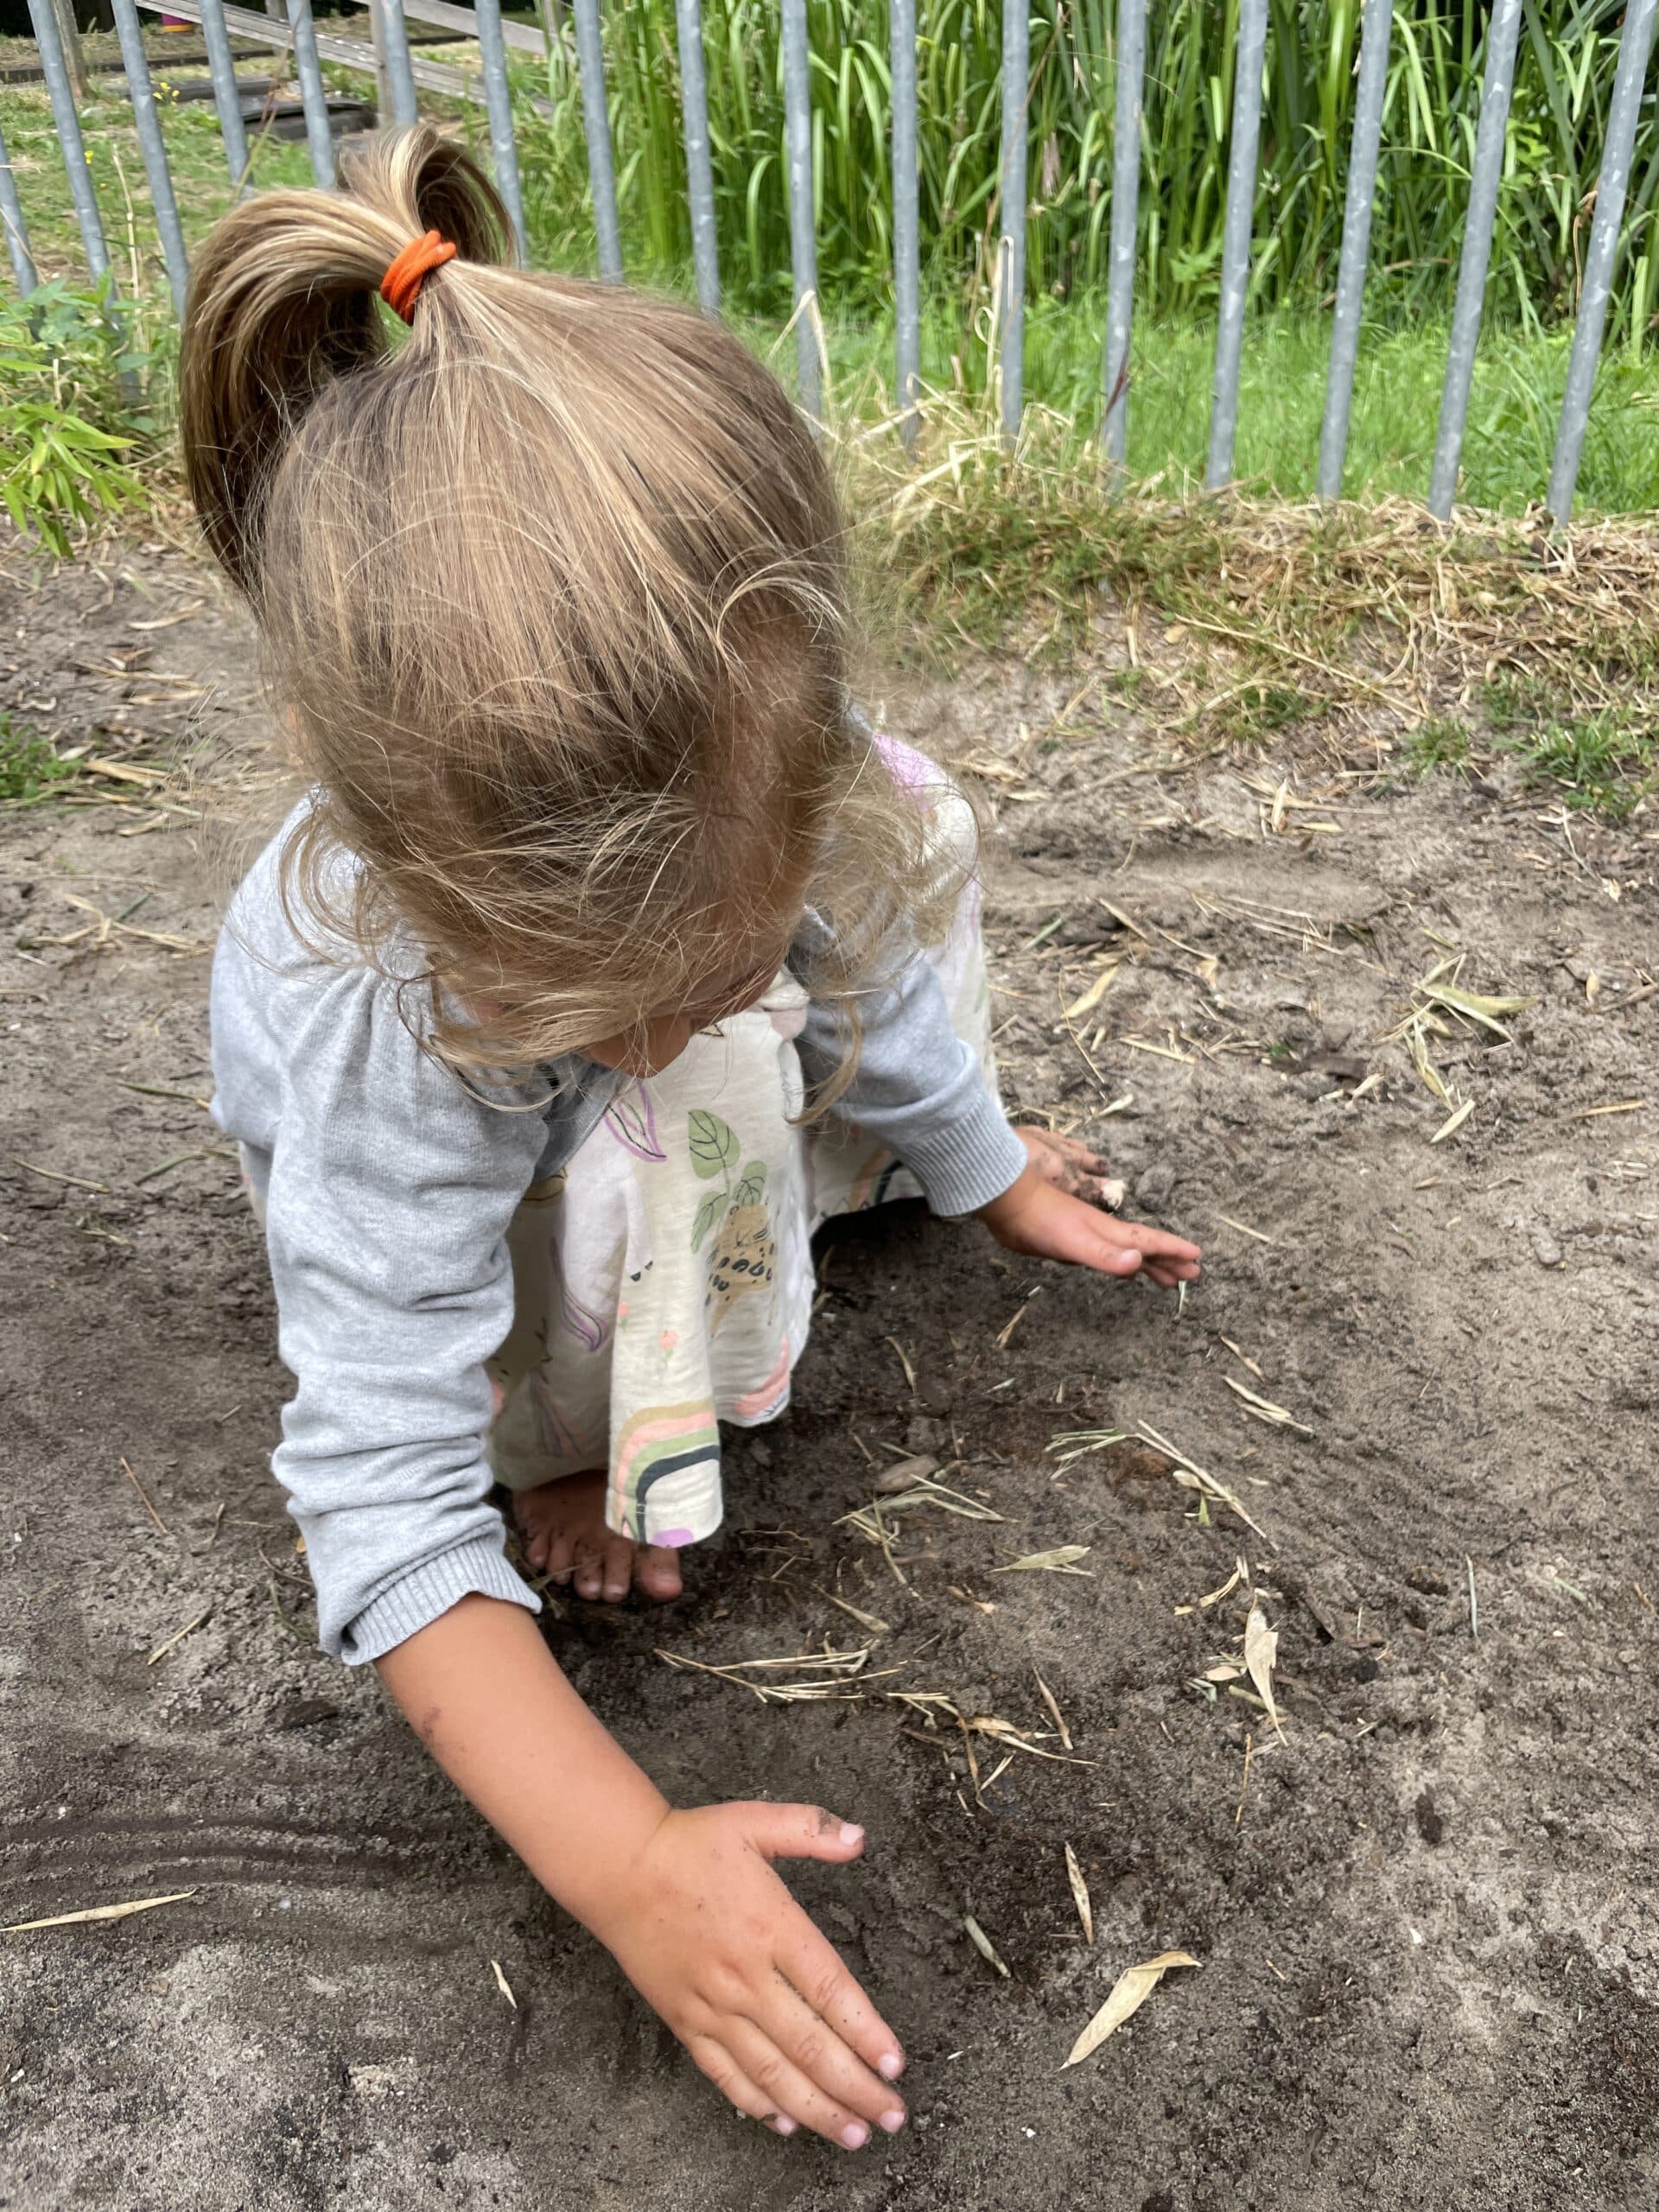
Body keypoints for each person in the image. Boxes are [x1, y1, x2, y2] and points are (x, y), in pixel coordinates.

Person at [182, 127, 1201, 2152]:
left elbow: (869, 964)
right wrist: (628, 1860)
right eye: (615, 982)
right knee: (687, 1103)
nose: (711, 976)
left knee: (870, 916)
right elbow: (372, 1490)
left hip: (605, 1067)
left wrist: (986, 1168)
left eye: (730, 921)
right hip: (458, 1174)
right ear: (446, 898)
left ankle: (779, 1156)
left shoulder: (800, 784)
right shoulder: (391, 1010)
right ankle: (565, 1421)